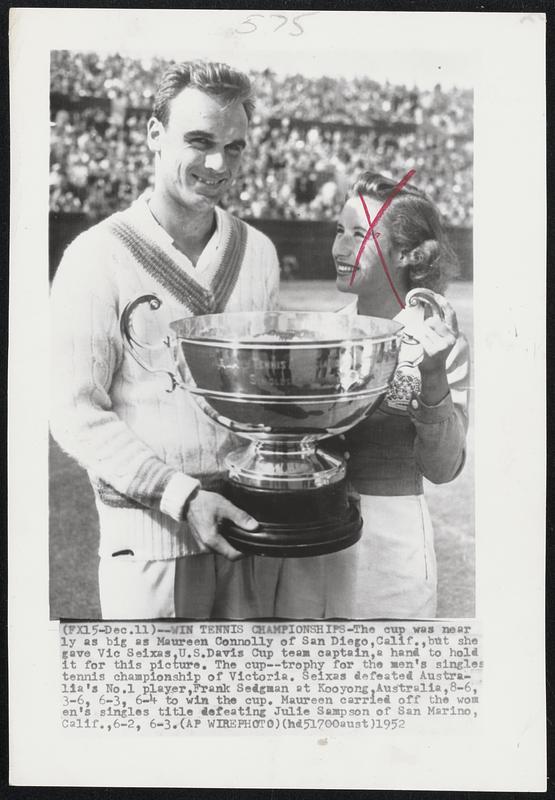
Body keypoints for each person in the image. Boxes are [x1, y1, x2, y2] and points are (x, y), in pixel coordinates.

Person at [51, 61, 286, 619]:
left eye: (234, 147)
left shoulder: (259, 253)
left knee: (248, 703)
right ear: (155, 136)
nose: (217, 164)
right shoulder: (95, 255)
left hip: (246, 530)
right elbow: (75, 411)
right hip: (150, 541)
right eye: (199, 141)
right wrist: (181, 497)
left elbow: (265, 399)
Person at [329, 171, 470, 618]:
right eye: (339, 231)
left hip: (390, 550)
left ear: (407, 253)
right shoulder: (324, 332)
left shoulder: (439, 341)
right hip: (314, 539)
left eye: (359, 234)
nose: (340, 249)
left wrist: (432, 379)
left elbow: (444, 468)